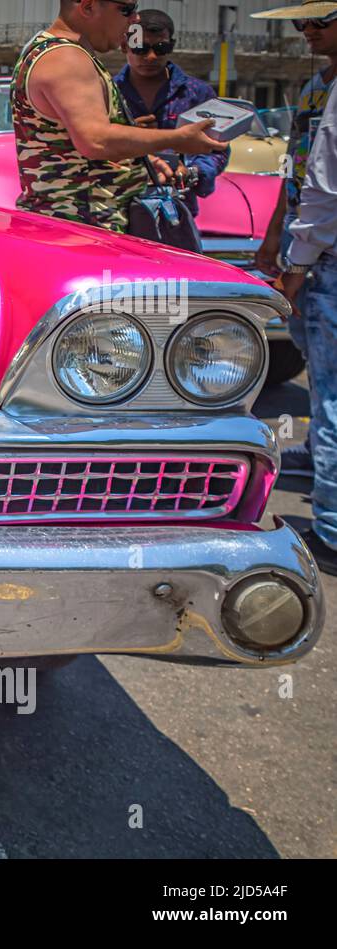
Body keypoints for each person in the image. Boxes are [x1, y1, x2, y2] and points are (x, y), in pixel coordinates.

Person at [12, 0, 225, 232]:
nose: (135, 19)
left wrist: (142, 160)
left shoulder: (59, 52)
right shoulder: (66, 58)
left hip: (78, 227)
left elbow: (74, 142)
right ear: (88, 6)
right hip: (80, 231)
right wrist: (178, 138)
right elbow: (96, 140)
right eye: (126, 9)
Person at [258, 2, 337, 572]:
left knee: (331, 395)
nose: (307, 32)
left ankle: (331, 528)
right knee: (319, 378)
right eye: (299, 24)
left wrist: (297, 264)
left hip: (326, 257)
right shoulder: (316, 87)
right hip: (310, 250)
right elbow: (299, 172)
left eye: (319, 20)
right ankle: (316, 465)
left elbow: (326, 193)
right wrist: (274, 239)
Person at [114, 8, 228, 215]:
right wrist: (129, 136)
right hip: (119, 210)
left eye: (160, 48)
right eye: (140, 48)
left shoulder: (197, 93)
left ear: (171, 46)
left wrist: (193, 172)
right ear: (124, 46)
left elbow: (219, 148)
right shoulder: (107, 91)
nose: (150, 56)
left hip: (177, 210)